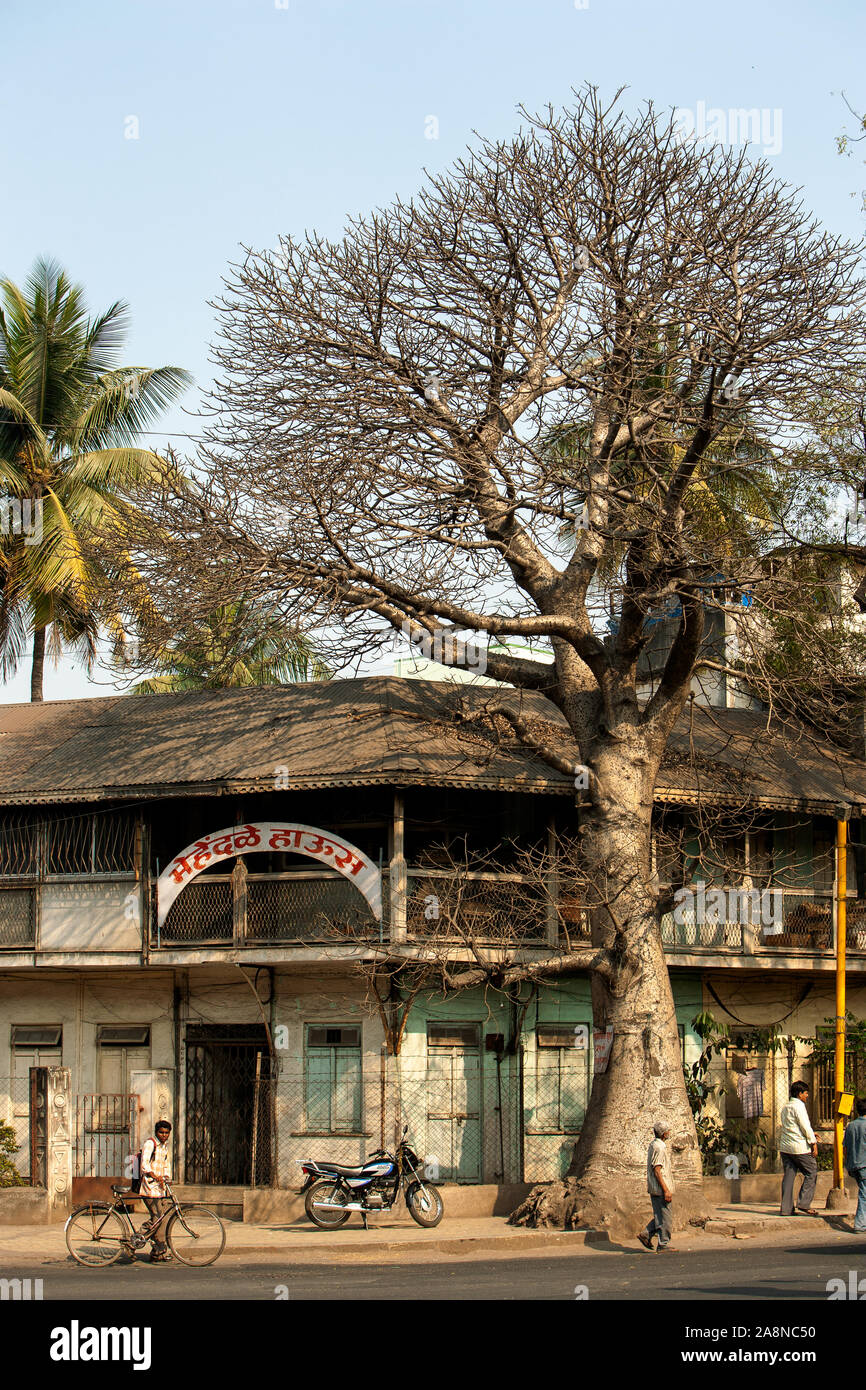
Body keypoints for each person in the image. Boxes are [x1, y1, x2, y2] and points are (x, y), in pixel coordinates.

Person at [779, 1081, 819, 1216]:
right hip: (799, 1147)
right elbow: (805, 1126)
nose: (807, 1096)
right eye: (806, 1093)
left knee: (789, 1176)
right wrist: (813, 1143)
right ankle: (804, 1203)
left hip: (785, 1147)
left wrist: (812, 1134)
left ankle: (786, 1209)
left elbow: (792, 1127)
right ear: (799, 1093)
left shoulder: (785, 1107)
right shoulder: (799, 1107)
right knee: (811, 1171)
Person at [638, 1121, 677, 1252]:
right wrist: (666, 1190)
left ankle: (646, 1234)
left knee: (660, 1215)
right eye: (668, 1131)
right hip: (660, 1188)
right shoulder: (660, 1148)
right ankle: (663, 1244)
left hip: (654, 1187)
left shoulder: (653, 1145)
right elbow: (657, 1170)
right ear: (664, 1133)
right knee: (666, 1217)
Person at [140, 1120, 173, 1262]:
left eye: (166, 1133)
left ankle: (158, 1251)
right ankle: (135, 1240)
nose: (164, 1135)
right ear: (156, 1132)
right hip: (149, 1187)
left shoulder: (164, 1146)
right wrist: (154, 1176)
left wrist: (166, 1178)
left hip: (160, 1188)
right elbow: (144, 1164)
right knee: (157, 1217)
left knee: (162, 1218)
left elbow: (165, 1165)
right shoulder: (150, 1144)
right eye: (161, 1132)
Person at [843, 1097, 866, 1234]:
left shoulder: (851, 1125)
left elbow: (845, 1148)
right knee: (864, 1194)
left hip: (853, 1164)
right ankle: (860, 1224)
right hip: (864, 1164)